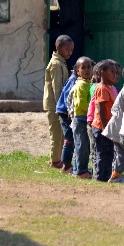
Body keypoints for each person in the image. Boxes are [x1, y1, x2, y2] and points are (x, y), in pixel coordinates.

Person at [43, 35, 73, 169]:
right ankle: (55, 160)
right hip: (55, 105)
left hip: (58, 105)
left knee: (61, 133)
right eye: (67, 49)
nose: (69, 52)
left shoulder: (61, 63)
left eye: (71, 50)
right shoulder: (56, 64)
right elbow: (57, 88)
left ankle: (58, 157)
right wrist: (62, 106)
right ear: (58, 48)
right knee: (55, 133)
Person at [91, 60, 120, 182]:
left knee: (108, 154)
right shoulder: (102, 88)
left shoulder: (109, 88)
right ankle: (101, 177)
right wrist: (105, 128)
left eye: (115, 72)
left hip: (107, 126)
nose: (114, 75)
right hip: (102, 127)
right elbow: (101, 108)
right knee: (103, 154)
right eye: (111, 72)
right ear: (102, 73)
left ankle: (105, 176)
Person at [52, 0, 84, 69]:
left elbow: (72, 19)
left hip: (72, 34)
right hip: (68, 33)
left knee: (72, 59)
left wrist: (63, 28)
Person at [70, 57, 94, 179]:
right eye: (83, 68)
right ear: (77, 71)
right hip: (80, 118)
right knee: (82, 145)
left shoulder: (88, 83)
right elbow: (80, 104)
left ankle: (77, 169)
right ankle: (80, 170)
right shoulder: (81, 85)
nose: (87, 70)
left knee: (82, 144)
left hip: (84, 118)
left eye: (89, 67)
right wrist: (93, 110)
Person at [56, 62, 78, 173]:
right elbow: (68, 96)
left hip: (68, 111)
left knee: (71, 137)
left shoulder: (78, 80)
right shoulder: (74, 80)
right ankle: (66, 165)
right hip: (65, 112)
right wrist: (69, 110)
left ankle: (68, 164)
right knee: (69, 137)